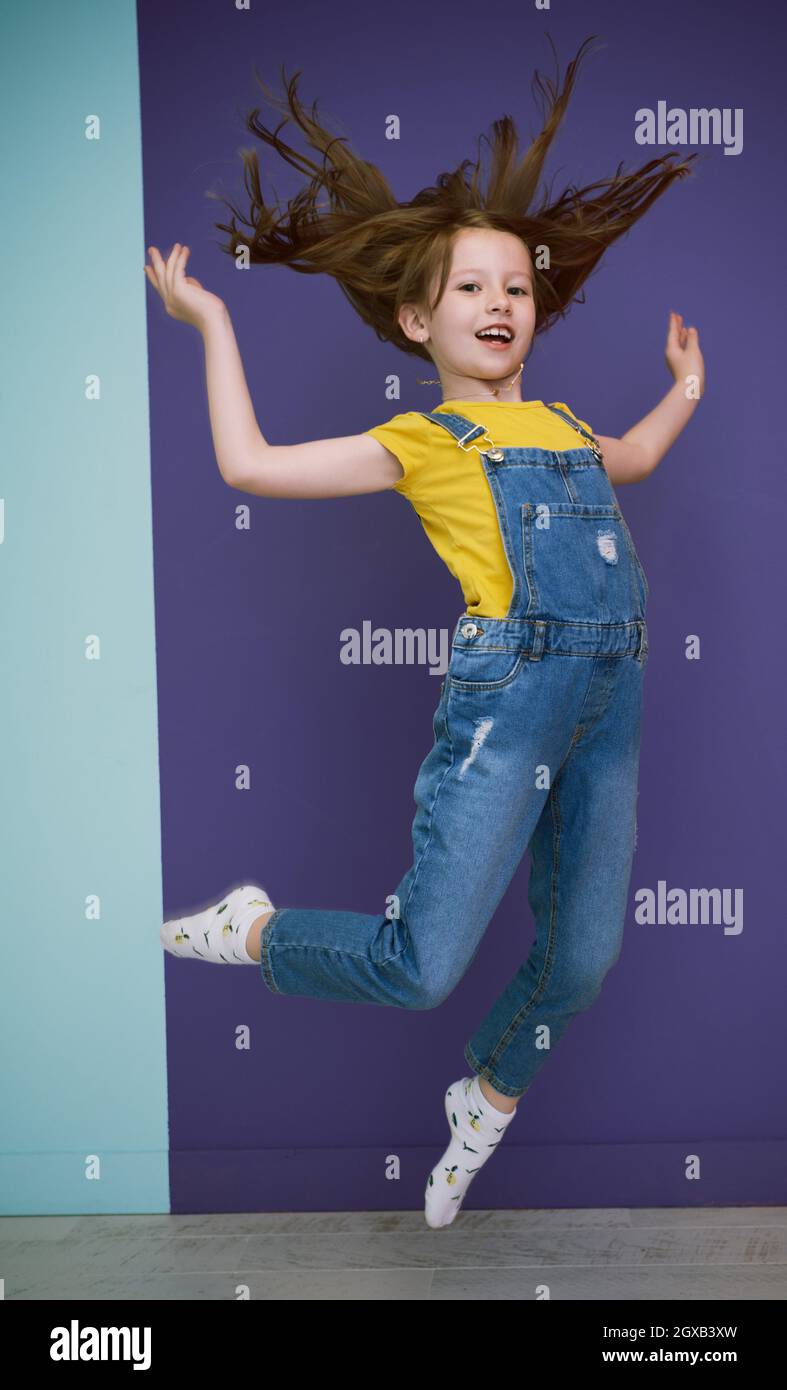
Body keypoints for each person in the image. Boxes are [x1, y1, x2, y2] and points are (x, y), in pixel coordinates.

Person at [145, 36, 705, 1228]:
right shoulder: (420, 444)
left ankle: (485, 1099)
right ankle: (257, 929)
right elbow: (247, 464)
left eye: (516, 286)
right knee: (419, 965)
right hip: (510, 702)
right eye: (470, 289)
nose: (501, 303)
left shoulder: (559, 418)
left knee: (586, 960)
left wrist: (685, 389)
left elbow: (641, 456)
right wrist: (210, 325)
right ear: (414, 322)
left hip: (611, 696)